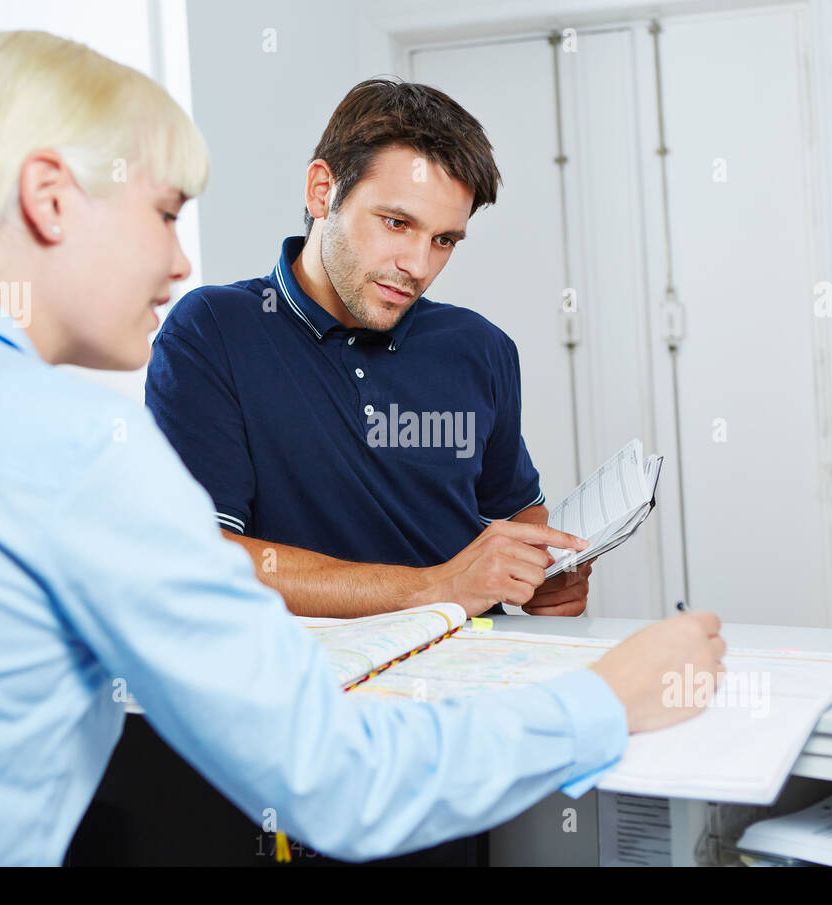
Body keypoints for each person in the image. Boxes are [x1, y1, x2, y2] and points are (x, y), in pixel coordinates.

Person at [0, 30, 726, 866]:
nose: (179, 259)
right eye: (162, 212)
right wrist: (609, 699)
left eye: (445, 241)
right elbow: (338, 781)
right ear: (51, 200)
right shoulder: (73, 450)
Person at [145, 79, 593, 621]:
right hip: (316, 685)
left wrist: (541, 579)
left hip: (478, 672)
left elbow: (517, 513)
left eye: (444, 240)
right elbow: (203, 554)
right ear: (322, 191)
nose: (418, 266)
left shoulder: (481, 346)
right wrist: (436, 588)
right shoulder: (213, 330)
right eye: (397, 223)